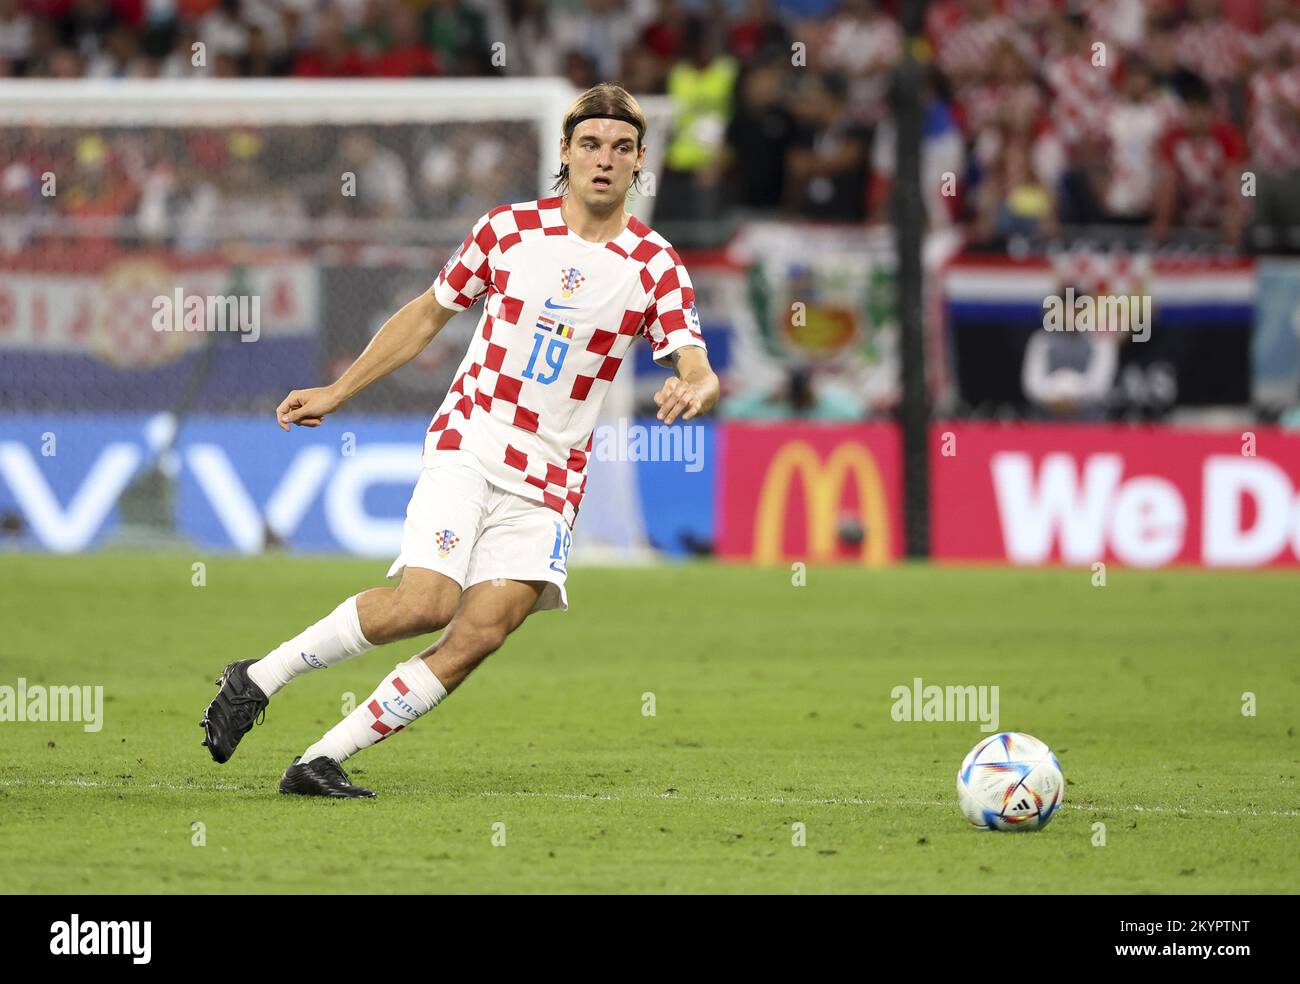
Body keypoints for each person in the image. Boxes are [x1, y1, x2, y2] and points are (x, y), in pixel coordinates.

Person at [200, 83, 720, 798]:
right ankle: (258, 678)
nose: (605, 160)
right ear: (564, 153)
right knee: (426, 602)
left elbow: (691, 357)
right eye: (591, 145)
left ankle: (318, 760)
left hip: (551, 477)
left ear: (639, 162)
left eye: (621, 148)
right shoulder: (508, 230)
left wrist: (698, 382)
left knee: (481, 632)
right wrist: (338, 391)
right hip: (474, 436)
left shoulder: (653, 264)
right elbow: (424, 315)